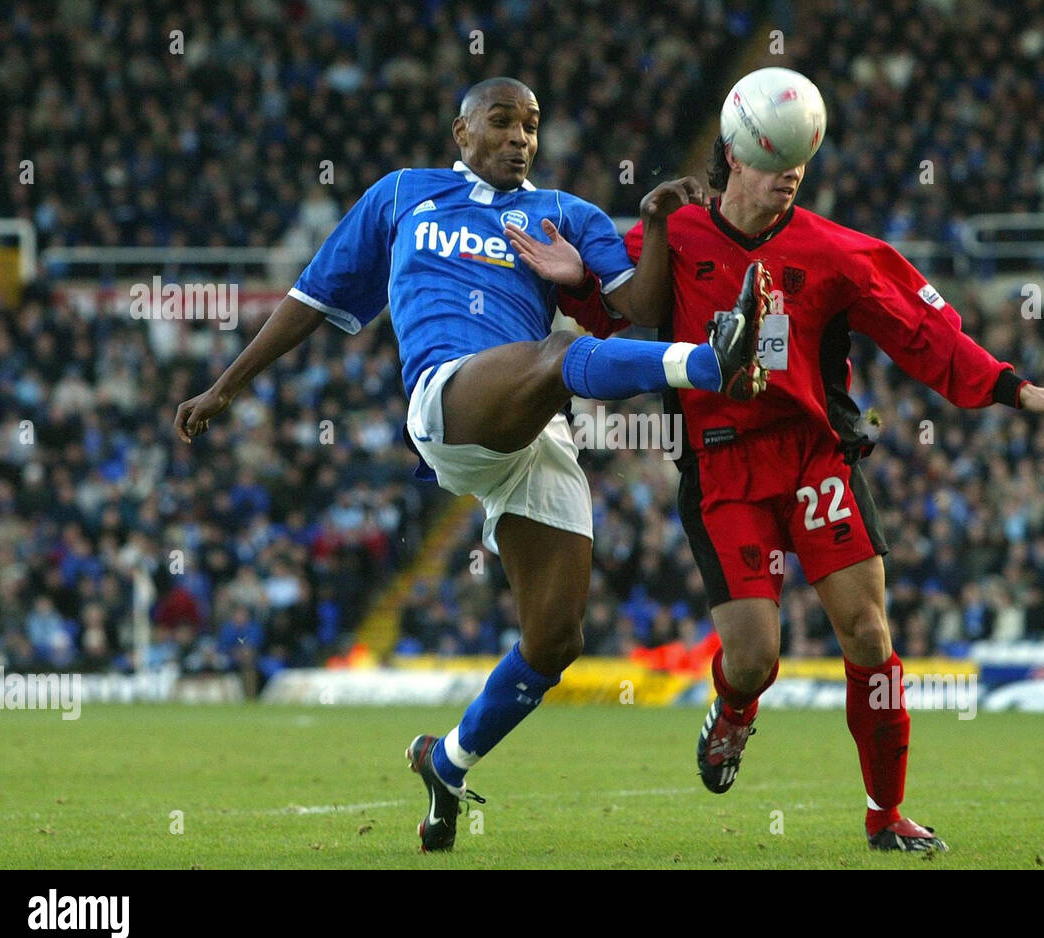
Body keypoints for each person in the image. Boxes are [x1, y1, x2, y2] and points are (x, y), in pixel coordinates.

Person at [172, 77, 769, 853]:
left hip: (527, 431)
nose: (521, 137)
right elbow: (311, 299)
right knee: (560, 352)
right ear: (462, 132)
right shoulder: (400, 197)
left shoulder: (568, 214)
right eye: (502, 121)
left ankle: (445, 761)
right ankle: (709, 363)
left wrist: (654, 221)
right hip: (449, 401)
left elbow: (643, 308)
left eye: (531, 125)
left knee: (555, 642)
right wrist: (224, 387)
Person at [558, 108, 1044, 853]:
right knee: (753, 658)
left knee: (870, 636)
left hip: (815, 456)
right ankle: (735, 707)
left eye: (800, 159)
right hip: (722, 463)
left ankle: (886, 814)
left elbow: (924, 329)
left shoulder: (837, 250)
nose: (789, 171)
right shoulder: (677, 235)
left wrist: (1016, 388)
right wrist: (570, 286)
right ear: (733, 156)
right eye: (774, 154)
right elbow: (617, 302)